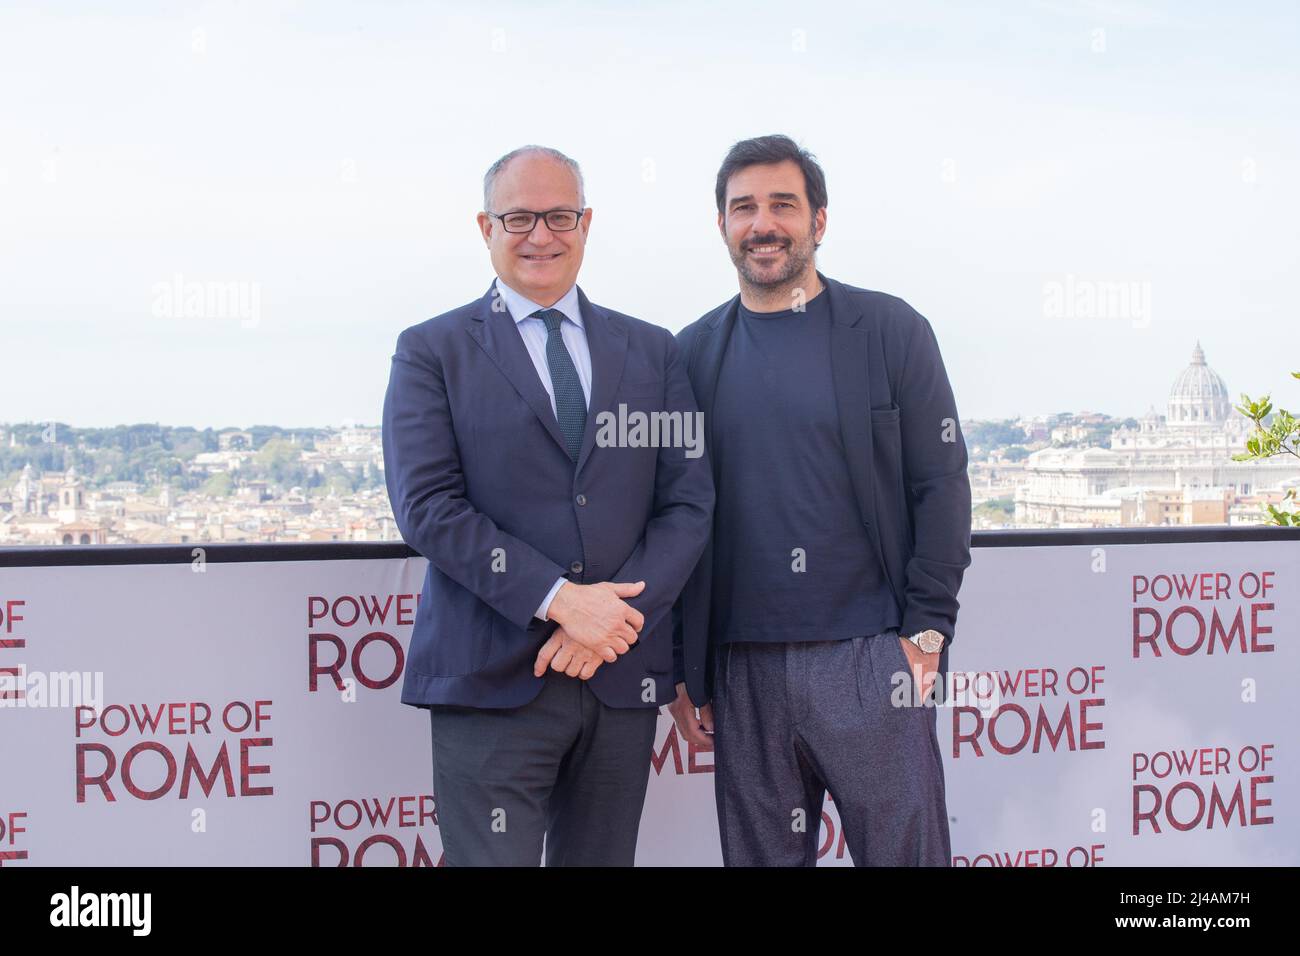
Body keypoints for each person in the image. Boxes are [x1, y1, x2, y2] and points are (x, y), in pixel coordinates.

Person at [383, 145, 713, 866]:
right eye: (520, 218)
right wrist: (561, 600)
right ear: (485, 227)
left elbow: (688, 505)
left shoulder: (652, 352)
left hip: (619, 679)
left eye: (559, 216)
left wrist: (612, 620)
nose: (541, 235)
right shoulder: (431, 351)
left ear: (587, 223)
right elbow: (428, 507)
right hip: (491, 681)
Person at [667, 134, 972, 866]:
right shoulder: (690, 353)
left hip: (871, 658)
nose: (762, 223)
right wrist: (683, 666)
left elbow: (942, 484)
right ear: (722, 226)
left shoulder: (891, 331)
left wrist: (925, 636)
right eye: (744, 207)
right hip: (742, 672)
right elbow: (673, 517)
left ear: (819, 221)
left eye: (783, 204)